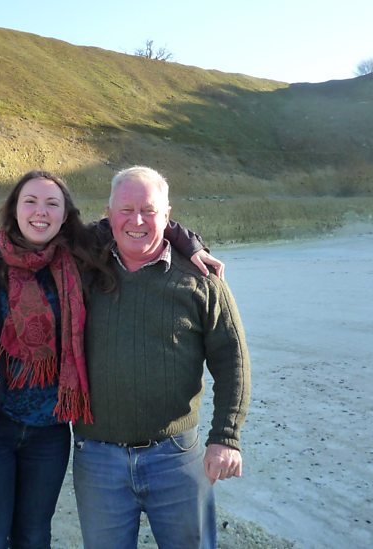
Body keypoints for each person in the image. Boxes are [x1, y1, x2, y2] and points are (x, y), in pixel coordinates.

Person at [0, 170, 222, 548]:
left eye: (52, 204)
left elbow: (139, 219)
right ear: (14, 209)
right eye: (30, 202)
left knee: (34, 537)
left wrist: (190, 245)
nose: (40, 212)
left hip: (48, 435)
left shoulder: (76, 256)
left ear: (66, 215)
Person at [72, 166, 251, 549]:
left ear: (167, 217)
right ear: (108, 213)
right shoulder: (81, 273)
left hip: (177, 457)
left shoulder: (202, 280)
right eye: (125, 210)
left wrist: (226, 438)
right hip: (97, 459)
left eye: (149, 211)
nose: (136, 220)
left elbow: (231, 360)